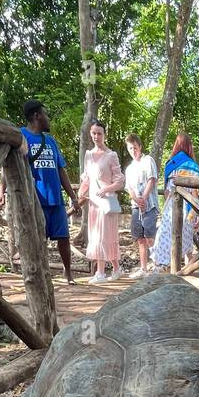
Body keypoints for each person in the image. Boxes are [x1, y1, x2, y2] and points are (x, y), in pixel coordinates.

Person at [0, 99, 79, 283]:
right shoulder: (20, 136)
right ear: (36, 116)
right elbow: (7, 166)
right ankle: (41, 273)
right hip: (34, 199)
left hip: (55, 198)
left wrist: (73, 197)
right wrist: (1, 191)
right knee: (37, 238)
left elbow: (61, 169)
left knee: (63, 236)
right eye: (45, 114)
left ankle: (68, 272)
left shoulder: (50, 141)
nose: (48, 118)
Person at [76, 120, 124, 282]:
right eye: (94, 133)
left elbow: (119, 181)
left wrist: (105, 189)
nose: (96, 136)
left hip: (106, 202)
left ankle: (101, 273)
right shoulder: (88, 155)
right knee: (96, 235)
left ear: (104, 135)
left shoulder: (111, 155)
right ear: (90, 134)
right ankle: (117, 269)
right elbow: (87, 179)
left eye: (99, 133)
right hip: (93, 203)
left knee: (105, 236)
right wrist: (80, 195)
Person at [153, 131, 199, 270]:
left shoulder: (171, 164)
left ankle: (163, 267)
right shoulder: (193, 166)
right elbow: (195, 193)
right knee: (187, 242)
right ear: (189, 147)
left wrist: (163, 210)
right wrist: (197, 214)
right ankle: (187, 272)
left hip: (171, 207)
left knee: (164, 238)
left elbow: (167, 192)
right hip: (189, 208)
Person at [124, 133, 158, 275]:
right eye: (130, 148)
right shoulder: (129, 168)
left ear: (140, 147)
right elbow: (129, 187)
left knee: (150, 236)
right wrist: (136, 199)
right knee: (140, 238)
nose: (133, 151)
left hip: (149, 205)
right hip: (136, 206)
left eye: (135, 148)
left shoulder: (148, 160)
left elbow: (152, 179)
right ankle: (143, 268)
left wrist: (143, 198)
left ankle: (157, 265)